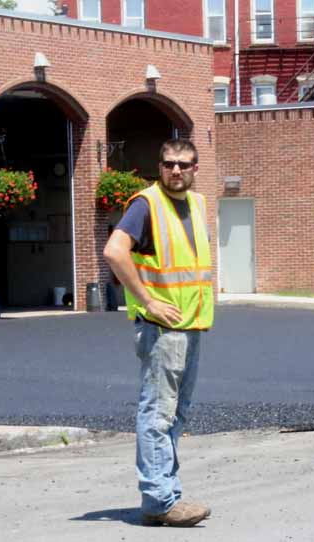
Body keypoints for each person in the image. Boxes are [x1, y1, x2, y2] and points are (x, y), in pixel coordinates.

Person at [103, 139, 214, 527]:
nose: (176, 171)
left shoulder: (197, 205)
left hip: (192, 325)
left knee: (175, 415)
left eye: (184, 164)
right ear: (160, 166)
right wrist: (148, 302)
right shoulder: (145, 205)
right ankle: (159, 498)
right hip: (162, 329)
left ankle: (164, 495)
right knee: (158, 413)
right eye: (169, 164)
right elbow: (115, 251)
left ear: (196, 168)